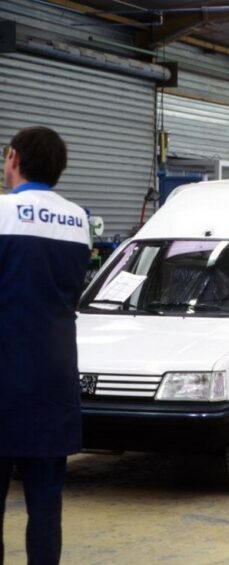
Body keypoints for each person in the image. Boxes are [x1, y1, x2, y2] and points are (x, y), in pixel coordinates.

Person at [1, 127, 90, 564]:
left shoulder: (0, 212)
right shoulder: (79, 223)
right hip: (54, 381)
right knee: (46, 504)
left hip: (2, 380)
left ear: (12, 158)